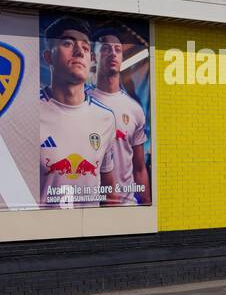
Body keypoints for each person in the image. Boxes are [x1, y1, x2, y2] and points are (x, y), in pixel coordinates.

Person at [38, 17, 116, 208]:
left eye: (86, 48)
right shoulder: (29, 111)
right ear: (48, 57)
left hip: (90, 232)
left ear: (90, 60)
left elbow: (108, 187)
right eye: (67, 43)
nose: (80, 51)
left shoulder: (106, 118)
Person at [88, 24, 151, 206]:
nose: (113, 54)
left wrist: (146, 204)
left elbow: (139, 168)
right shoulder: (81, 103)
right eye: (106, 49)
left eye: (117, 50)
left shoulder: (134, 109)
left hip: (128, 205)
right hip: (93, 206)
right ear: (94, 56)